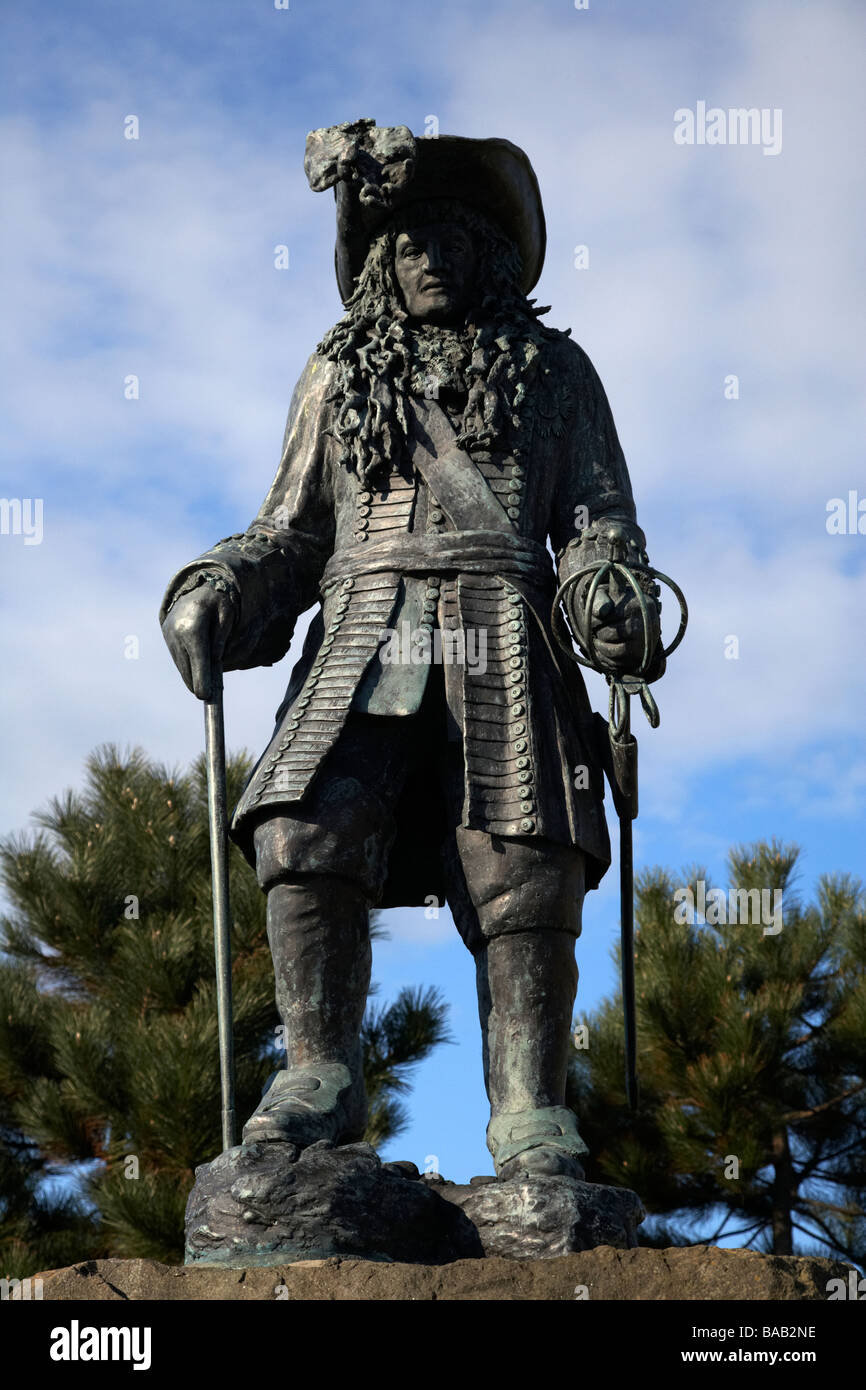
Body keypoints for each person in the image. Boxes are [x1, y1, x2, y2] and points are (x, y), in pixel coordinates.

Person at [160, 120, 664, 1181]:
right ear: (378, 263)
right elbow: (290, 534)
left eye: (447, 236)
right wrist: (215, 589)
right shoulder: (337, 373)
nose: (427, 255)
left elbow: (596, 522)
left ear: (488, 251)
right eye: (404, 241)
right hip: (365, 627)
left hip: (502, 626)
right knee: (305, 823)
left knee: (521, 856)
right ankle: (319, 1071)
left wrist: (609, 593)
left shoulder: (553, 372)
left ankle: (530, 1108)